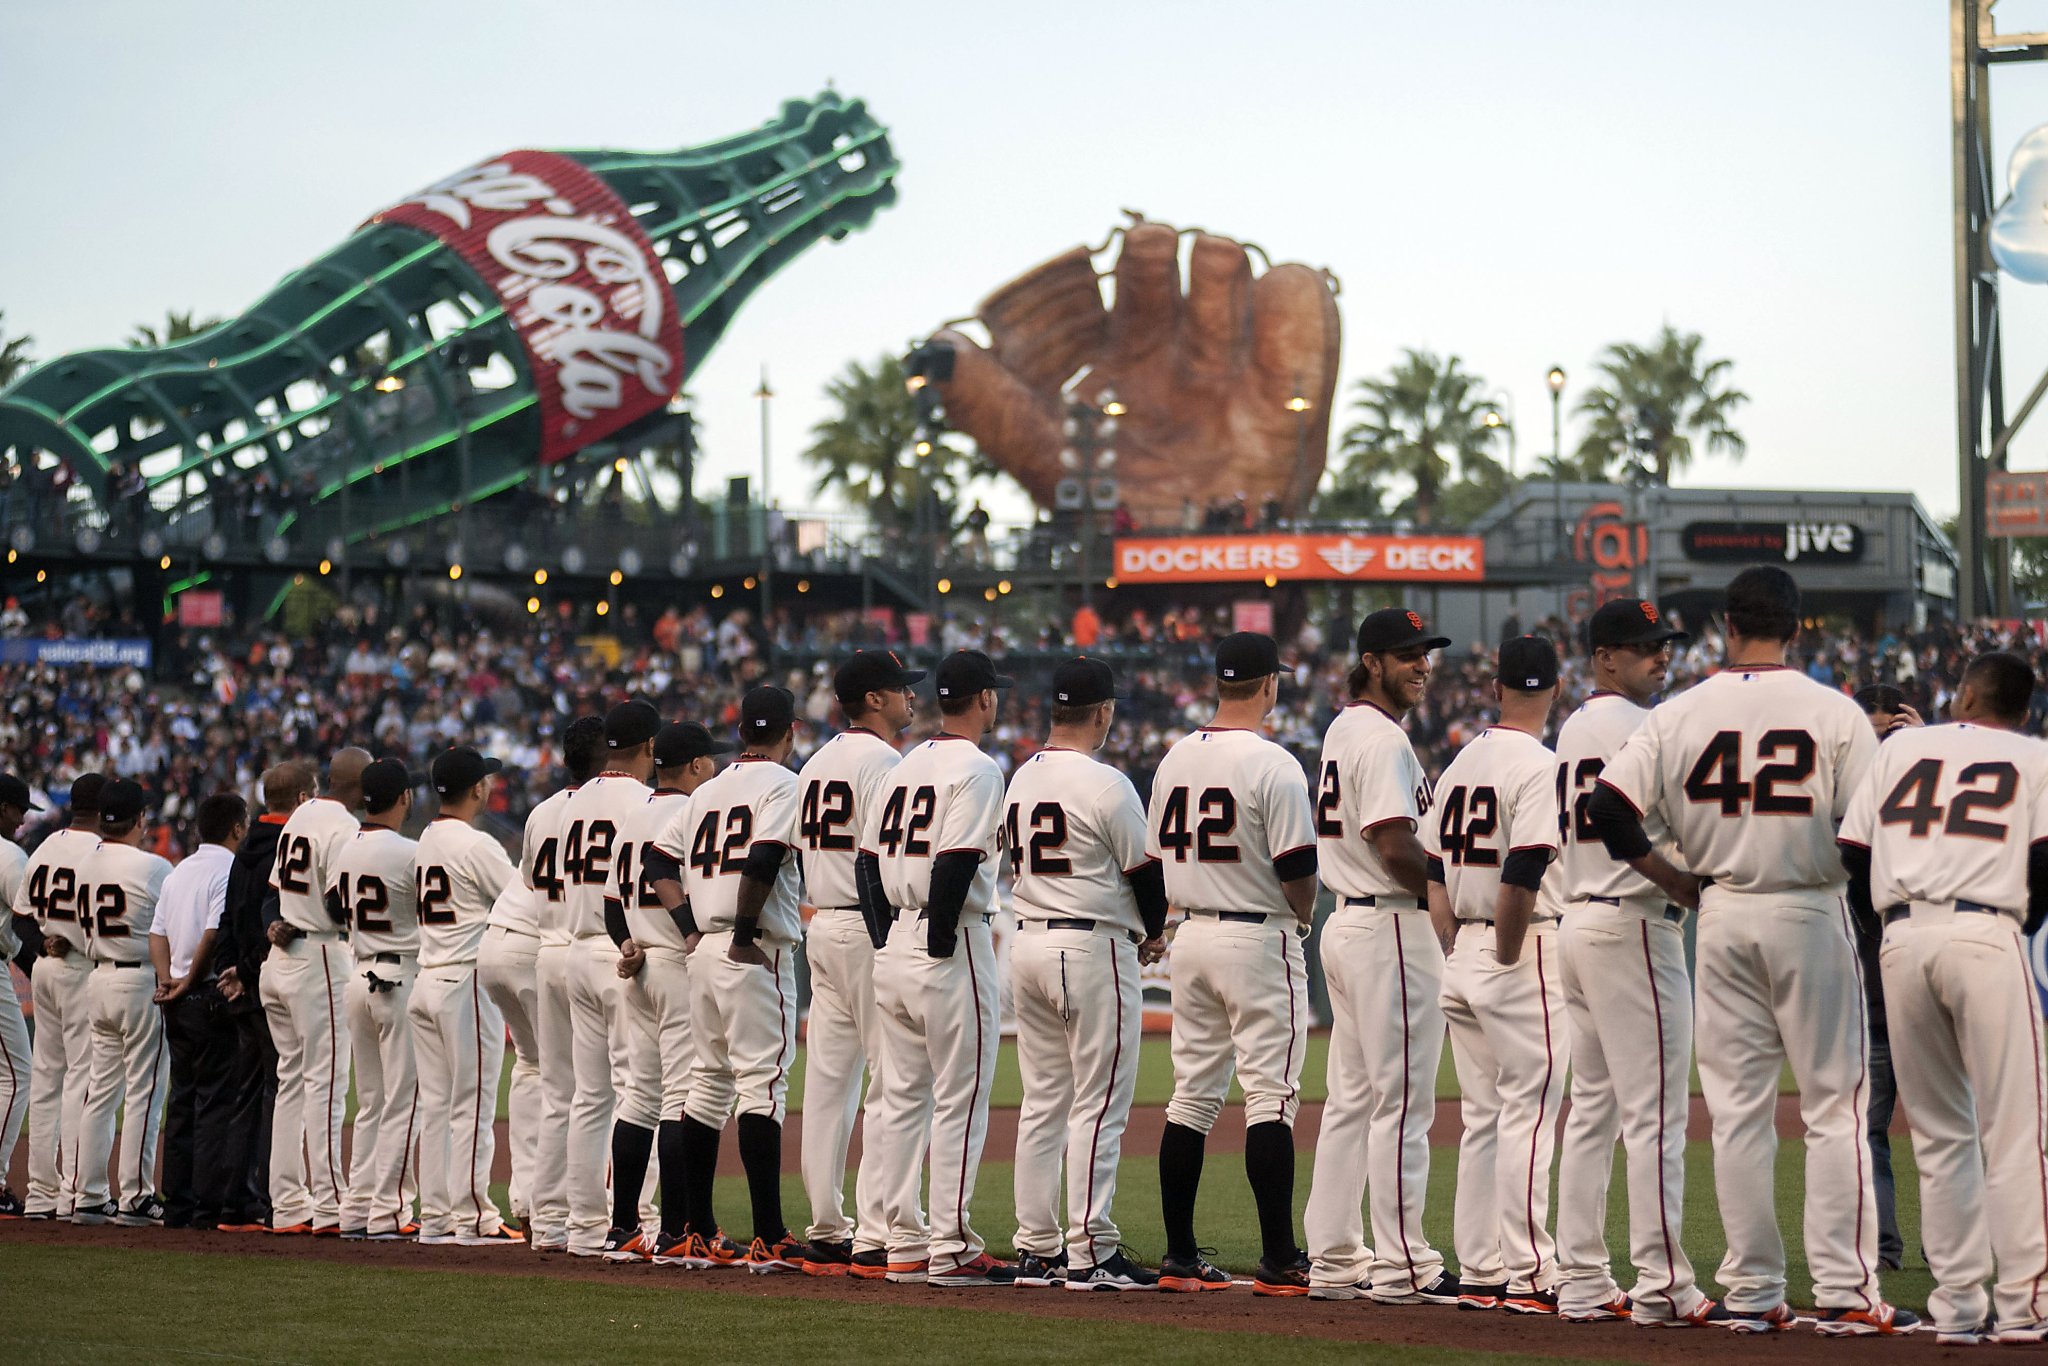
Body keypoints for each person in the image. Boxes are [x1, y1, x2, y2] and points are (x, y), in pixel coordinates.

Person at [1590, 565, 1913, 1335]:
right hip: (1809, 906)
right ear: (1796, 629)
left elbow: (1608, 808)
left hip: (1721, 911)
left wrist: (1676, 879)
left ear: (1727, 627)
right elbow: (1869, 835)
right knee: (1835, 1107)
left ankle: (1754, 1289)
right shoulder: (1834, 711)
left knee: (1737, 1112)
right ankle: (1844, 1286)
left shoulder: (1678, 711)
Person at [1840, 652, 2048, 1346]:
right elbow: (2045, 861)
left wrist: (1888, 931)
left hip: (1902, 938)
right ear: (2024, 710)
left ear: (1964, 697)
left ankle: (1957, 1307)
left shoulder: (1901, 748)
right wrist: (2016, 923)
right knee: (2015, 1132)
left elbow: (1852, 852)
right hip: (1986, 931)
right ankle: (2026, 1304)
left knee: (1937, 1135)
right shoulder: (2034, 756)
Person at [1551, 601, 1731, 1327]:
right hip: (1631, 921)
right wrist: (1686, 878)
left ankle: (1582, 1279)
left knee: (1592, 1113)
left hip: (1578, 919)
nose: (1661, 656)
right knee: (1654, 1113)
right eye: (1643, 647)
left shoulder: (1574, 726)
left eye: (1664, 645)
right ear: (1604, 657)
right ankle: (1663, 1283)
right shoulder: (1642, 726)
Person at [1145, 632, 1318, 1296]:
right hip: (1256, 934)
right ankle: (1279, 1257)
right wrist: (1303, 915)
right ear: (1269, 684)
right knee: (1270, 1096)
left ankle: (1179, 1254)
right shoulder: (1273, 762)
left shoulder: (1174, 757)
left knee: (1191, 1096)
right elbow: (1298, 869)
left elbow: (1155, 863)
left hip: (1190, 934)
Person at [1303, 609, 1460, 1304]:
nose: (1422, 665)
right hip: (1391, 926)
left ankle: (1335, 1256)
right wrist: (1450, 893)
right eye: (1406, 655)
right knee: (1402, 1102)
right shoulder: (1383, 737)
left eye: (1425, 653)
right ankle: (1404, 1262)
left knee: (1353, 1100)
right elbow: (1395, 845)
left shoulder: (1344, 728)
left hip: (1350, 923)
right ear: (1371, 662)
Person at [1004, 657, 1166, 1291]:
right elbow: (1145, 874)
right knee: (1099, 1103)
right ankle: (1092, 1249)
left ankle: (1036, 1246)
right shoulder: (1106, 783)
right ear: (1102, 712)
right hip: (1089, 946)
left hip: (1028, 941)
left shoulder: (1020, 777)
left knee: (1043, 1102)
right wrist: (1153, 932)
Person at [858, 650, 1015, 1286]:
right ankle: (950, 1244)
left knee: (900, 1099)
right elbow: (956, 862)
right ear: (984, 699)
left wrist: (887, 939)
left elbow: (867, 864)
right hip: (945, 942)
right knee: (961, 1097)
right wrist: (941, 940)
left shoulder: (904, 765)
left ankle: (903, 1240)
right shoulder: (978, 767)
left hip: (896, 938)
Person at [1427, 637, 1568, 1314]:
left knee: (1483, 1118)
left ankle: (1481, 1269)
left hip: (1463, 949)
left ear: (1495, 688)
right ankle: (1532, 1271)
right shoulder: (1541, 765)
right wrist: (1509, 956)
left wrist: (1458, 944)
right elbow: (1524, 872)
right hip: (1521, 946)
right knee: (1530, 1115)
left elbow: (1434, 874)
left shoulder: (1461, 762)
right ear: (1557, 690)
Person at [658, 686, 810, 1273]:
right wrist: (744, 934)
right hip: (752, 947)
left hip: (704, 950)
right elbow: (764, 857)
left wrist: (689, 929)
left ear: (742, 731)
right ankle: (769, 1235)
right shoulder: (784, 783)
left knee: (707, 1085)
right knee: (761, 1086)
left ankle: (697, 1230)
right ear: (789, 731)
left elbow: (655, 861)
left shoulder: (708, 790)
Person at [792, 651, 923, 1276]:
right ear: (874, 698)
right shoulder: (886, 762)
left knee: (827, 1085)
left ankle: (826, 1227)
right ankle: (878, 1230)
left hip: (822, 922)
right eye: (901, 688)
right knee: (893, 1078)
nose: (910, 697)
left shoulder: (813, 763)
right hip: (869, 924)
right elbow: (885, 859)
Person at [615, 720, 729, 1265]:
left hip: (638, 962)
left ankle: (622, 1227)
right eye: (711, 760)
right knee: (682, 1097)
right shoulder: (692, 813)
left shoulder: (633, 816)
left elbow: (611, 905)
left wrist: (625, 944)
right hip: (676, 963)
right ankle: (678, 1229)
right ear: (697, 765)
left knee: (640, 1094)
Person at [560, 701, 665, 1258]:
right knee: (639, 1092)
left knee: (589, 1095)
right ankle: (635, 1218)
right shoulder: (643, 800)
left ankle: (583, 1224)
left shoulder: (569, 802)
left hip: (575, 947)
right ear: (649, 746)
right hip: (621, 949)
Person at [410, 745, 522, 1245]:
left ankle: (436, 1216)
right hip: (463, 981)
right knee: (472, 1105)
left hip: (426, 980)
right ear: (477, 788)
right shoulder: (475, 844)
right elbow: (521, 902)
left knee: (436, 1107)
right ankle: (475, 1215)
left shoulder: (426, 838)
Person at [261, 747, 369, 1235]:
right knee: (326, 1083)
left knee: (292, 1082)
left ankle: (287, 1202)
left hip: (283, 958)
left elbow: (274, 891)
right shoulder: (343, 826)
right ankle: (328, 1203)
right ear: (360, 785)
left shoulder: (301, 816)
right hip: (320, 955)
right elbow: (338, 903)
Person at [522, 715, 607, 1253]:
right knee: (608, 1094)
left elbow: (530, 880)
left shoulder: (541, 812)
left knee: (559, 1094)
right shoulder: (616, 805)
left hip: (549, 950)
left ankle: (549, 1220)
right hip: (592, 948)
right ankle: (605, 1219)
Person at [74, 778, 174, 1225]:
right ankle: (135, 1195)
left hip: (97, 976)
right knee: (144, 1092)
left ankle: (89, 1195)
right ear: (140, 819)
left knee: (100, 1092)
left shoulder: (85, 862)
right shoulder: (152, 867)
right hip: (138, 981)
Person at [216, 761, 311, 1231]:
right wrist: (247, 970)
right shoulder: (289, 846)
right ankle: (275, 1199)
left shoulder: (243, 850)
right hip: (272, 976)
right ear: (301, 799)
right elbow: (268, 924)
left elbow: (230, 917)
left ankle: (236, 1202)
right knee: (283, 1088)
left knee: (249, 1092)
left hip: (243, 982)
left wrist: (228, 970)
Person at [329, 759, 421, 1240]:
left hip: (357, 971)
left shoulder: (346, 847)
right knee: (403, 1101)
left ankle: (356, 1207)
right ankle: (390, 1210)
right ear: (404, 797)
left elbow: (331, 907)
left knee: (369, 1103)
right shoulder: (409, 852)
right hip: (399, 976)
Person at [147, 790, 246, 1229]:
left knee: (182, 1101)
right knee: (215, 1103)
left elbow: (157, 933)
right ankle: (207, 1205)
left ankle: (177, 1203)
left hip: (176, 1001)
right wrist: (189, 980)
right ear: (237, 828)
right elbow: (213, 933)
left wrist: (167, 979)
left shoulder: (179, 870)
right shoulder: (228, 868)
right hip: (206, 995)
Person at [1850, 681, 1919, 1274]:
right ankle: (1885, 1248)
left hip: (1923, 988)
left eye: (1889, 735)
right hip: (1872, 994)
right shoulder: (1846, 798)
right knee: (1870, 1130)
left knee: (1947, 1127)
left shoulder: (1935, 789)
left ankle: (1948, 1252)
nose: (1881, 749)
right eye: (1871, 736)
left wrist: (1925, 750)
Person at [13, 772, 103, 1220]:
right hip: (82, 969)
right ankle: (72, 1191)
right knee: (81, 1079)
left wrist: (41, 945)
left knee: (47, 1080)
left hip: (46, 969)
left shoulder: (46, 846)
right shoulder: (100, 851)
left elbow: (19, 918)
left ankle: (40, 1193)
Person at [0, 772, 38, 1217]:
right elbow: (27, 923)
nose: (22, 818)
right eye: (19, 809)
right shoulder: (9, 855)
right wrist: (42, 967)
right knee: (17, 1074)